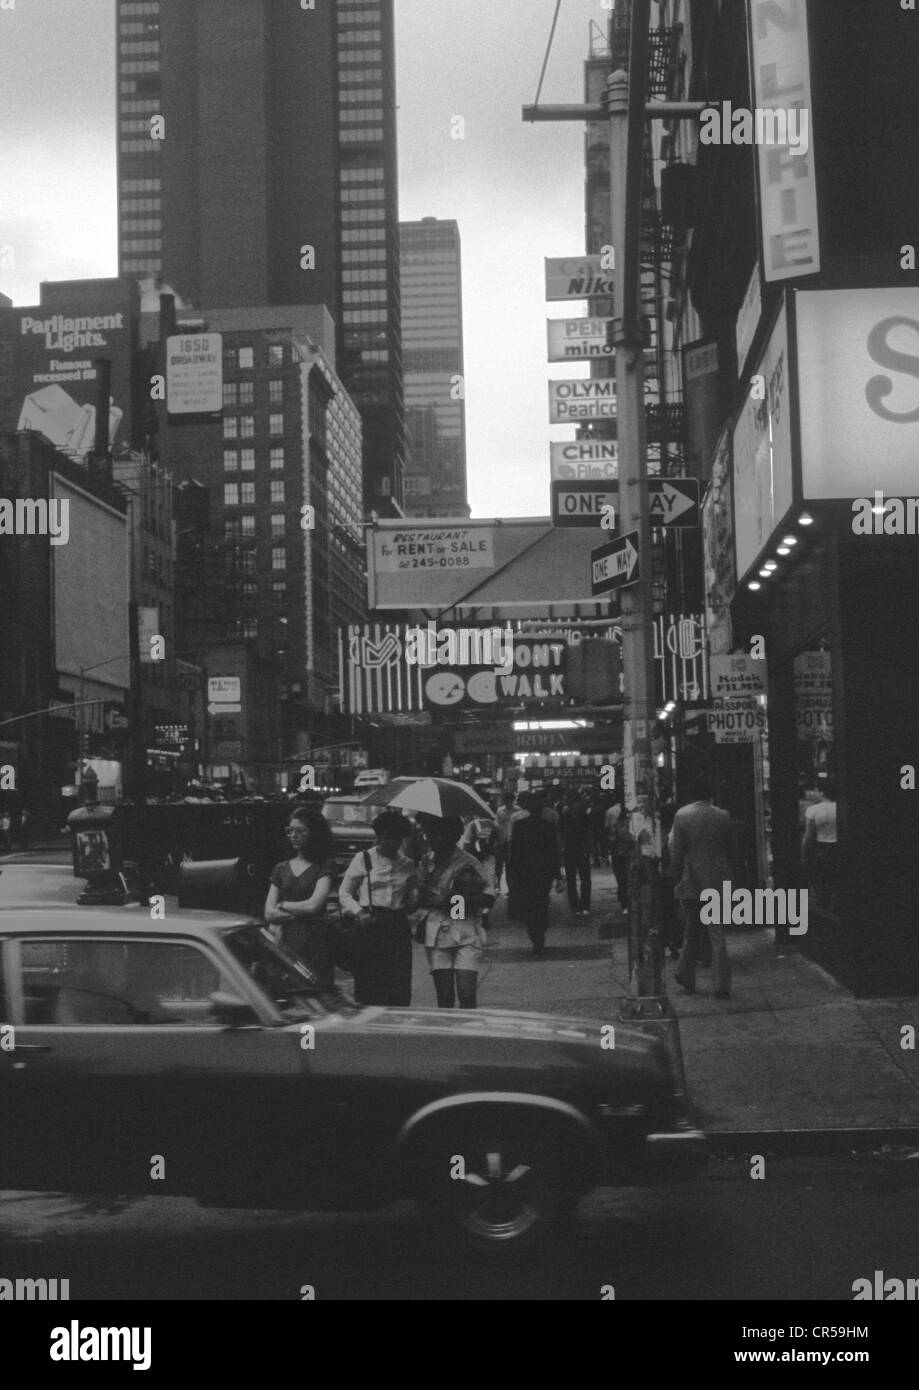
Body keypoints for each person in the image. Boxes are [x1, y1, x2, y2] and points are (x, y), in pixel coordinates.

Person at [669, 775, 739, 998]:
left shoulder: (682, 816)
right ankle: (721, 984)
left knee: (692, 932)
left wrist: (675, 878)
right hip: (718, 880)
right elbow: (732, 849)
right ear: (711, 793)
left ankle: (686, 975)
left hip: (691, 879)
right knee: (717, 934)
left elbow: (678, 854)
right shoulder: (723, 815)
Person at [338, 810, 418, 1006]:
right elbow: (344, 893)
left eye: (397, 840)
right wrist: (359, 912)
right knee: (369, 983)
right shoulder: (363, 859)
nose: (392, 844)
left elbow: (411, 902)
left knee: (397, 983)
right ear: (379, 837)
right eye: (388, 838)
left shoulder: (408, 865)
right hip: (370, 925)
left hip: (397, 927)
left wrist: (415, 897)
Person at [414, 814, 494, 1008]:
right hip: (436, 936)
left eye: (439, 834)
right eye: (430, 834)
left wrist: (452, 901)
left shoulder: (469, 863)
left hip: (464, 933)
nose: (433, 839)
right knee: (445, 998)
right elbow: (419, 901)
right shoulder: (426, 863)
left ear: (452, 836)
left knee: (466, 996)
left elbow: (488, 897)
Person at [264, 807, 336, 988]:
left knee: (314, 989)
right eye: (290, 830)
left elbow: (314, 905)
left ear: (314, 834)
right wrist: (298, 911)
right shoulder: (281, 868)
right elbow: (268, 913)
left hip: (315, 942)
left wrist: (283, 905)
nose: (293, 835)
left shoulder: (323, 866)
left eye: (300, 830)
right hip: (285, 941)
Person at [506, 801, 562, 955]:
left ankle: (535, 934)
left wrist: (511, 872)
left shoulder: (520, 826)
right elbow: (553, 851)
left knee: (530, 903)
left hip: (525, 871)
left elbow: (515, 850)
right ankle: (540, 932)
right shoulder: (548, 826)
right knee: (542, 901)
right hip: (544, 871)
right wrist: (557, 874)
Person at [801, 778, 838, 912]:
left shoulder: (813, 810)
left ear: (821, 792)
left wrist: (804, 855)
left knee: (821, 880)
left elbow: (808, 836)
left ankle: (824, 906)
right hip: (838, 847)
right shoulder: (841, 807)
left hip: (821, 848)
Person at [461, 815, 500, 930]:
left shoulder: (471, 825)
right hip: (489, 859)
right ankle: (485, 912)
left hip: (474, 860)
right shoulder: (494, 825)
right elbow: (501, 843)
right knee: (489, 887)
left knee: (472, 888)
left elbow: (466, 844)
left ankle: (470, 916)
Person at [560, 790, 592, 918]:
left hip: (572, 850)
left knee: (573, 879)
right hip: (579, 850)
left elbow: (562, 835)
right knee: (583, 879)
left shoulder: (567, 817)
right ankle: (584, 906)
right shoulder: (582, 817)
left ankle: (577, 907)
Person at [607, 805, 634, 915]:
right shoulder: (632, 824)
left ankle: (625, 904)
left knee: (621, 881)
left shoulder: (615, 825)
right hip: (630, 855)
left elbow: (611, 840)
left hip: (618, 855)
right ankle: (629, 902)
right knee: (629, 879)